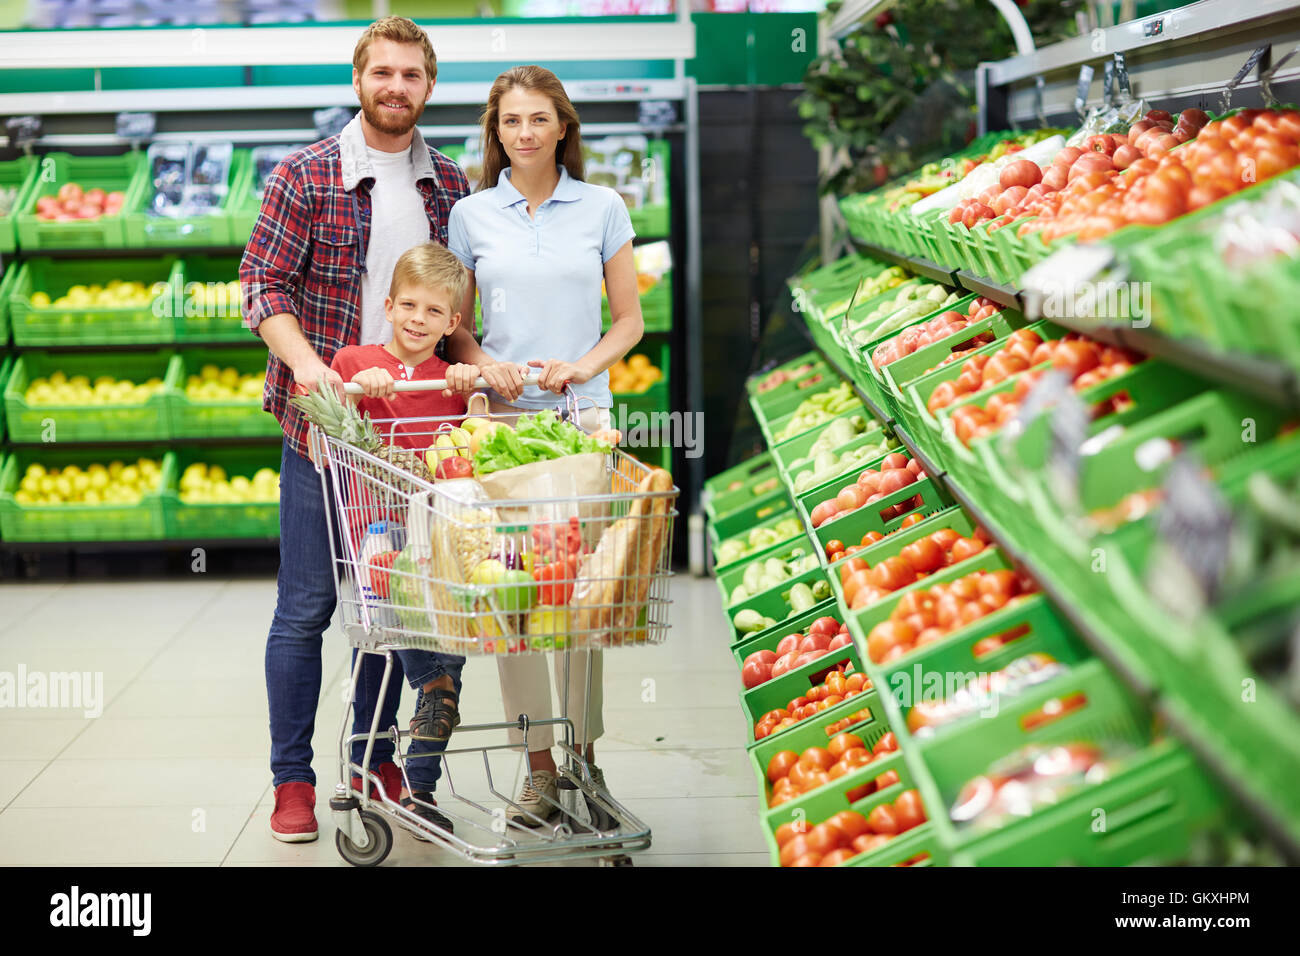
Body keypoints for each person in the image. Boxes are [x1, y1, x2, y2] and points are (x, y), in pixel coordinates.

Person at [240, 16, 515, 843]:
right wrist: (308, 368)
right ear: (360, 77)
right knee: (308, 606)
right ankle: (293, 780)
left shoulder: (450, 186)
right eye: (382, 72)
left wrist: (477, 366)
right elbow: (261, 287)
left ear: (429, 88)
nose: (396, 87)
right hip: (326, 430)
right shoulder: (307, 174)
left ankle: (372, 759)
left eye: (412, 76)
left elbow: (454, 308)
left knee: (398, 599)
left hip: (419, 437)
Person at [444, 65, 645, 826]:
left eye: (538, 119)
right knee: (514, 600)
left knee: (580, 602)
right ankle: (537, 768)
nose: (524, 133)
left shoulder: (602, 207)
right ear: (495, 133)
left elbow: (628, 320)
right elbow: (456, 325)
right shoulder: (471, 216)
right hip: (498, 430)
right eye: (510, 122)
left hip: (581, 423)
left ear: (563, 126)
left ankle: (584, 757)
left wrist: (582, 367)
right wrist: (480, 362)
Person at [330, 241, 479, 837]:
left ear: (453, 323)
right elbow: (328, 420)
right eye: (409, 306)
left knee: (454, 644)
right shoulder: (354, 361)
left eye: (435, 312)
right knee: (418, 632)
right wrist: (357, 389)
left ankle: (419, 791)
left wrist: (476, 391)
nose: (419, 320)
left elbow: (479, 444)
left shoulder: (450, 379)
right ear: (388, 306)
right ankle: (431, 685)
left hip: (443, 537)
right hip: (381, 536)